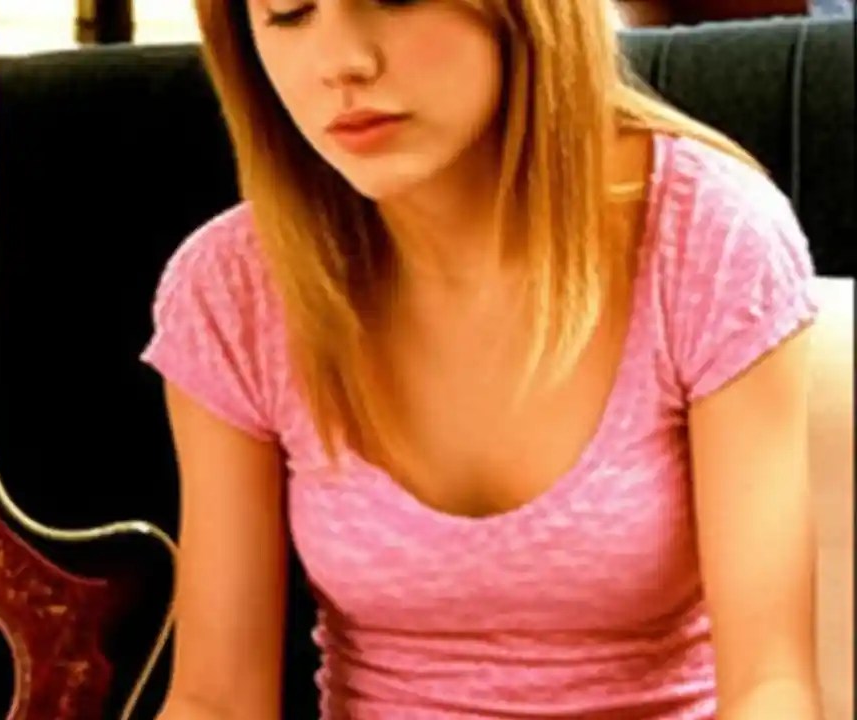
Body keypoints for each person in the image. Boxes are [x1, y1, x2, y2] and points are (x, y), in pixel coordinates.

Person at [140, 1, 822, 717]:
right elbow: (216, 701)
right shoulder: (233, 287)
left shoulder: (709, 237)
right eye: (289, 13)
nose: (341, 62)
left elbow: (771, 687)